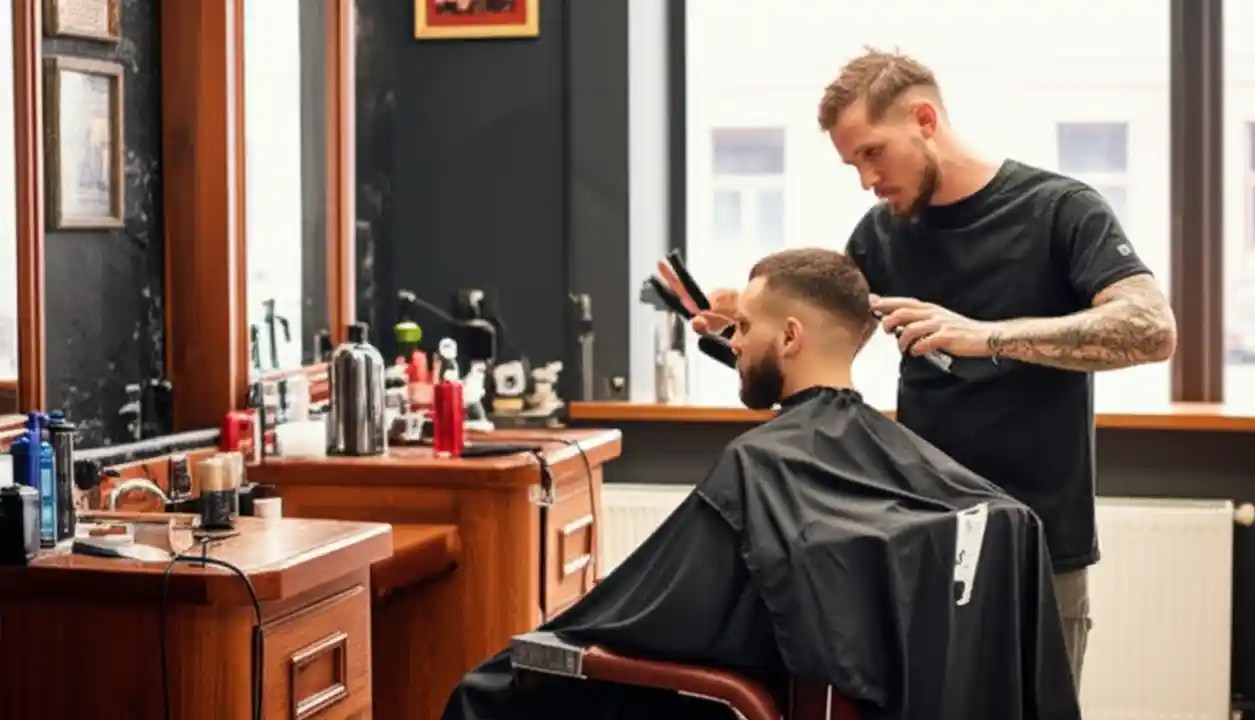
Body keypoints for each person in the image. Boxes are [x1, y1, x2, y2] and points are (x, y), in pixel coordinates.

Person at [684, 49, 1178, 691]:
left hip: (1040, 551)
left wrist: (988, 337)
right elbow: (820, 349)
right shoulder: (882, 236)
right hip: (921, 548)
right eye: (852, 163)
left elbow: (1151, 329)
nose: (866, 179)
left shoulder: (1060, 211)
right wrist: (752, 327)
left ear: (924, 118)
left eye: (872, 153)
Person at [443, 249, 1080, 720]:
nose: (735, 344)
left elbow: (653, 621)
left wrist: (559, 643)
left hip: (752, 700)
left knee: (488, 691)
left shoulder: (763, 466)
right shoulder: (963, 498)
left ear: (792, 336)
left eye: (743, 328)